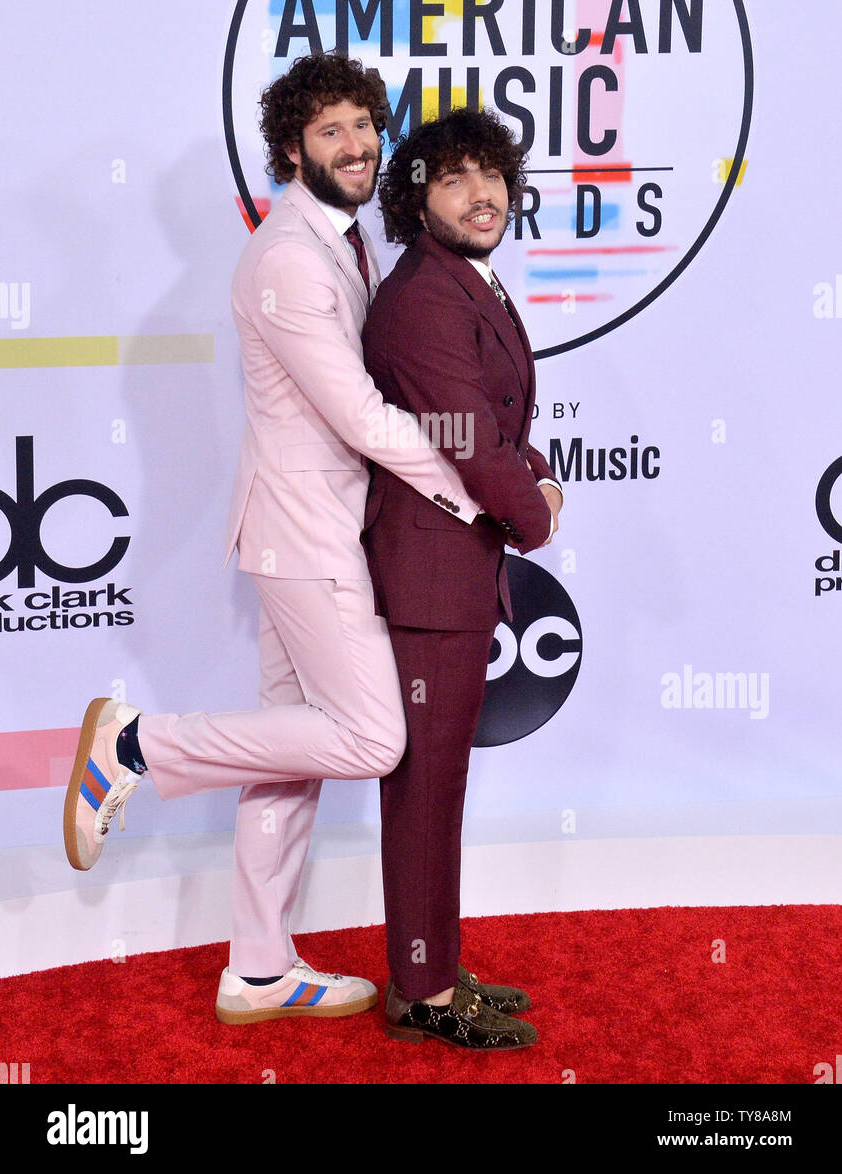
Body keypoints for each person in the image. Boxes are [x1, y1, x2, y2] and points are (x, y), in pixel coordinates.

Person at [63, 52, 483, 1025]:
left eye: (362, 125)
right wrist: (468, 488)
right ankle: (134, 744)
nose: (353, 143)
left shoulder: (341, 237)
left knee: (291, 757)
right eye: (328, 129)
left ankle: (256, 964)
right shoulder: (291, 257)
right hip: (308, 533)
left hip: (313, 526)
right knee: (375, 735)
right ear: (290, 148)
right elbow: (359, 414)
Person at [361, 106, 563, 1050]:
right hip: (429, 571)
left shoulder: (470, 282)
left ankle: (430, 966)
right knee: (424, 784)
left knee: (438, 784)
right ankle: (419, 994)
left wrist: (540, 475)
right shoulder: (421, 299)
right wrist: (536, 512)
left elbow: (498, 418)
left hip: (458, 563)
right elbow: (469, 439)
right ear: (418, 199)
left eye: (491, 175)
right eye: (454, 179)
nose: (481, 195)